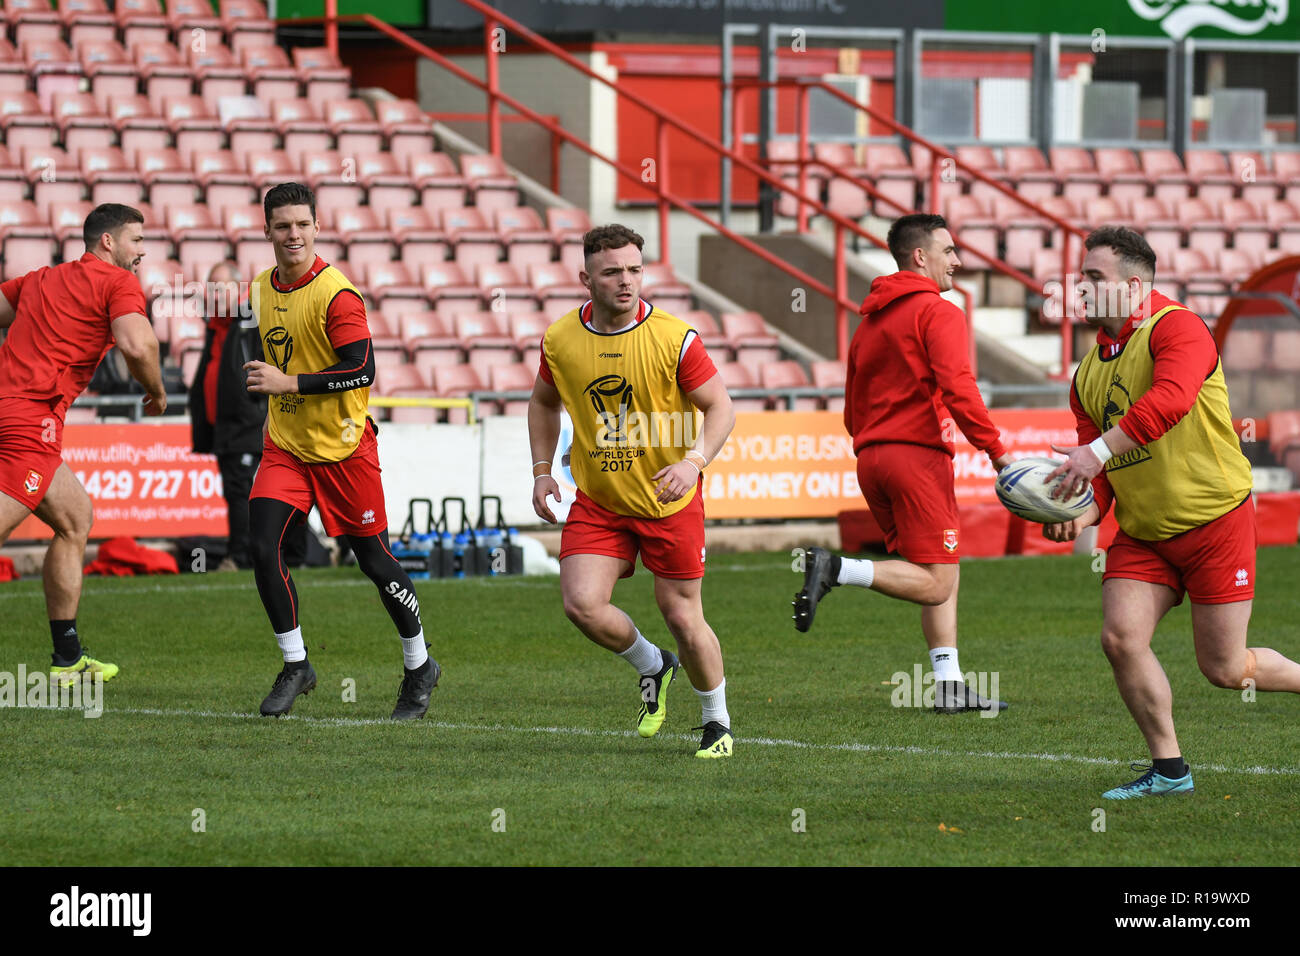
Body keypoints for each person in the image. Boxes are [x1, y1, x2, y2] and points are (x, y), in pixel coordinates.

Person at [1045, 225, 1300, 799]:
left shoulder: (1178, 327)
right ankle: (1169, 770)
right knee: (1120, 638)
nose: (1080, 287)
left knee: (1226, 670)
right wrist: (1084, 515)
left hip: (1215, 521)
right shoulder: (1086, 373)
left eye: (1094, 278)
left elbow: (1170, 401)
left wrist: (1095, 454)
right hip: (1143, 532)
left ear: (1133, 285)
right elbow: (1102, 473)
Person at [528, 224, 737, 758]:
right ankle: (653, 664)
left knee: (682, 614)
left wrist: (693, 464)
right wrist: (541, 470)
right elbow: (543, 403)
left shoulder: (674, 338)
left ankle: (717, 723)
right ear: (586, 278)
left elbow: (721, 407)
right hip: (599, 501)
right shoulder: (560, 339)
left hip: (668, 501)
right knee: (581, 605)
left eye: (635, 270)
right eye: (612, 272)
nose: (626, 281)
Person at [793, 213, 1012, 713]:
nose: (957, 260)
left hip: (872, 458)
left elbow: (851, 407)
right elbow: (959, 386)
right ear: (920, 256)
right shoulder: (938, 312)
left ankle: (950, 685)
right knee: (936, 582)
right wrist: (998, 452)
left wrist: (875, 443)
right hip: (916, 458)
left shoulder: (869, 320)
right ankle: (837, 568)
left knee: (939, 571)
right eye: (949, 250)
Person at [242, 182, 438, 720]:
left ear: (317, 227)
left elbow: (362, 370)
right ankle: (296, 664)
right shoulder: (260, 287)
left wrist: (289, 384)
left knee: (375, 563)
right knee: (263, 547)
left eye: (302, 224)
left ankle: (420, 667)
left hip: (345, 449)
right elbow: (272, 352)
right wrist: (264, 379)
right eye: (282, 226)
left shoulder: (337, 294)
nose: (293, 234)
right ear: (267, 232)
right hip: (285, 447)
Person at [0, 203, 167, 684]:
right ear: (108, 242)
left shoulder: (39, 278)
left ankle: (67, 658)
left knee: (76, 520)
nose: (143, 250)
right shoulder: (117, 283)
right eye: (136, 239)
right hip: (30, 421)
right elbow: (139, 345)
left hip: (18, 416)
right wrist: (155, 393)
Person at [189, 261, 305, 570]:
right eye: (211, 287)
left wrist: (260, 410)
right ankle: (268, 553)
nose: (214, 294)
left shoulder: (251, 322)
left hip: (249, 425)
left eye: (221, 286)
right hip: (224, 428)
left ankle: (241, 557)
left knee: (246, 492)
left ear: (236, 289)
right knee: (236, 491)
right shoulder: (216, 328)